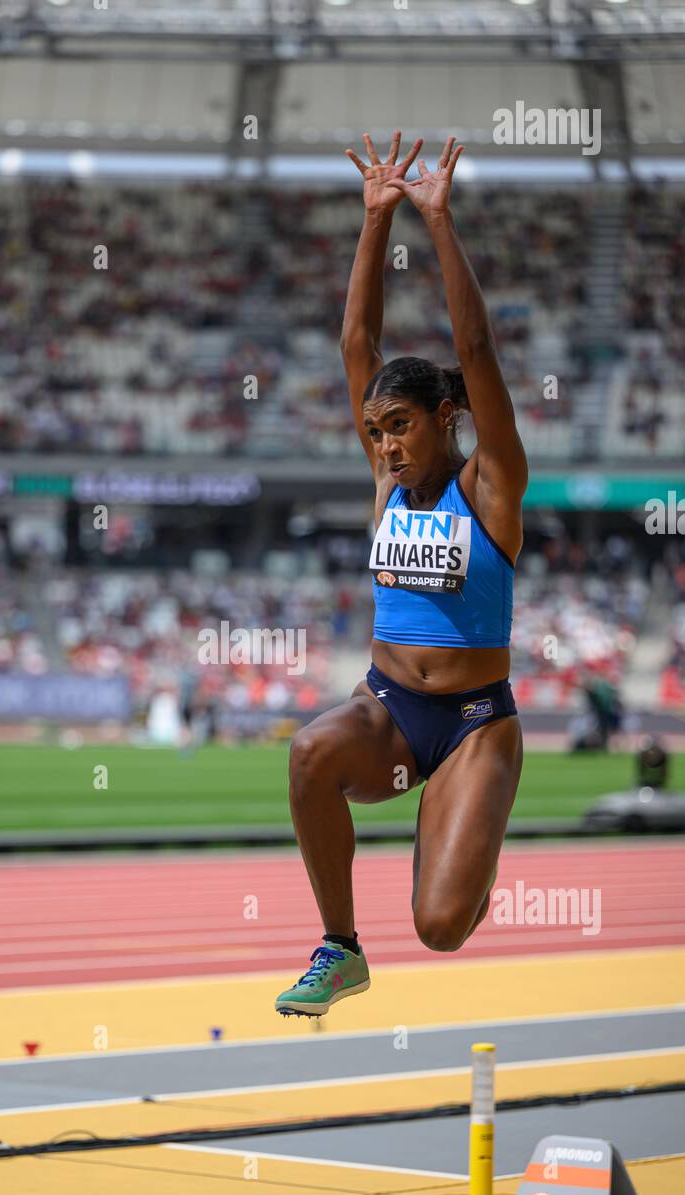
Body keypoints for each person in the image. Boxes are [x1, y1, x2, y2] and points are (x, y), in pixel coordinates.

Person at [276, 131, 527, 1016]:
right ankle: (339, 947)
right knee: (308, 753)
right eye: (375, 430)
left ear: (447, 417)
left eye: (401, 427)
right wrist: (376, 219)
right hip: (389, 708)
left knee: (441, 926)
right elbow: (356, 336)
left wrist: (439, 220)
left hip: (471, 724)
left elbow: (477, 345)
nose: (384, 444)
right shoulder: (386, 476)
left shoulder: (489, 484)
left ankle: (466, 846)